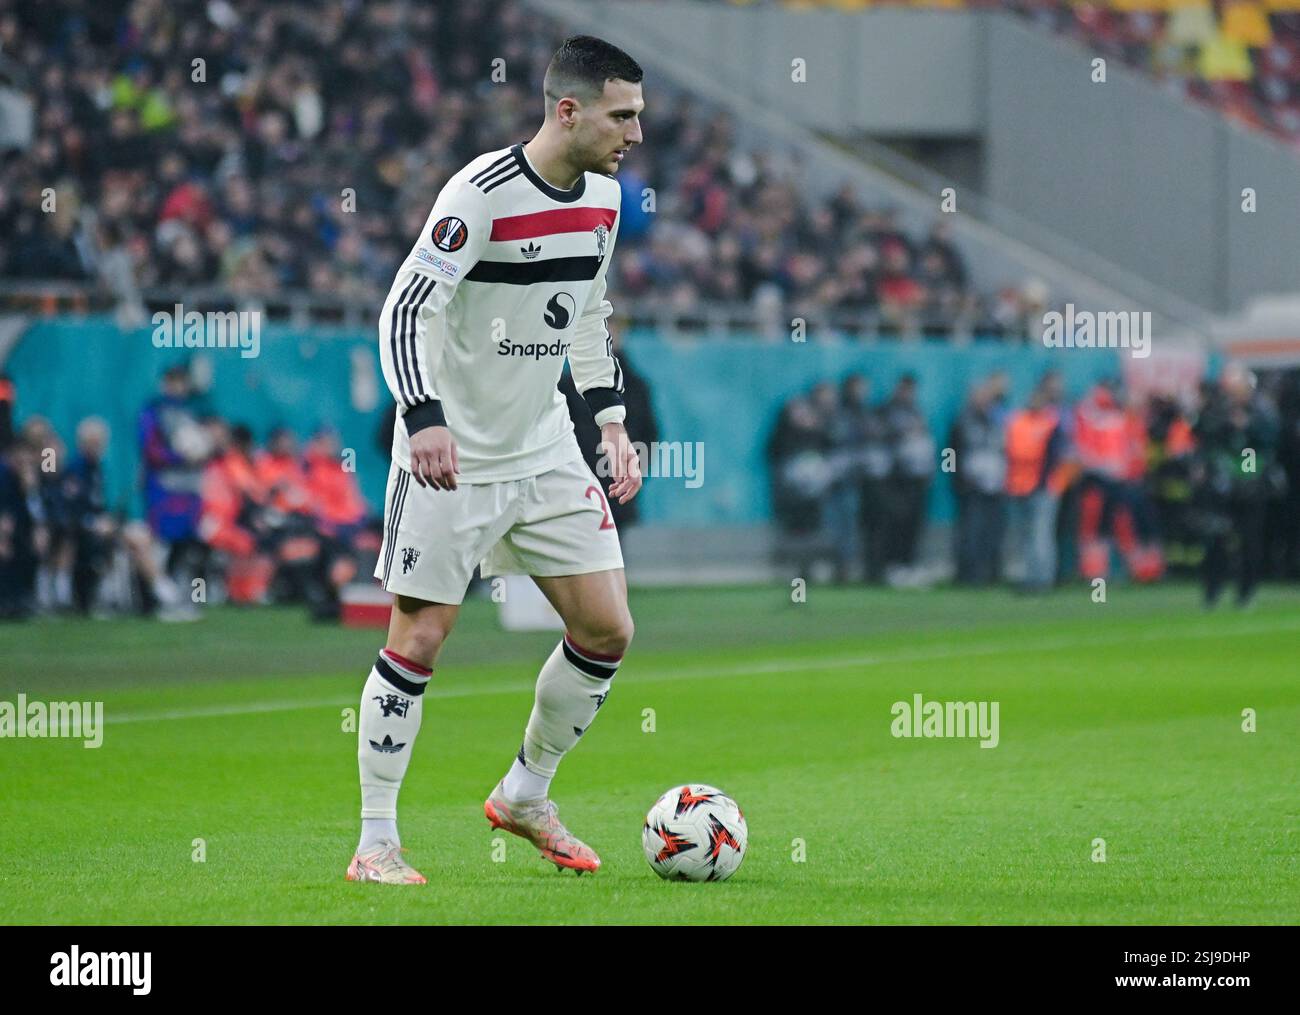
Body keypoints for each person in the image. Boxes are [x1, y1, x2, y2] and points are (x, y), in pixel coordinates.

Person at [349, 36, 645, 884]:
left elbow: (586, 313)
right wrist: (425, 417)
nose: (634, 133)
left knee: (606, 628)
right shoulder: (478, 195)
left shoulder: (605, 198)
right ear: (568, 110)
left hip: (545, 444)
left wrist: (612, 422)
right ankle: (376, 842)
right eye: (621, 115)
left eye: (638, 115)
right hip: (455, 456)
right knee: (421, 637)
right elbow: (403, 310)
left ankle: (525, 792)